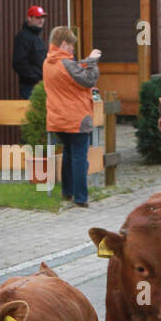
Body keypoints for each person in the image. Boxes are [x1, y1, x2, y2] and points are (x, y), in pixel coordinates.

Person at [42, 26, 100, 208]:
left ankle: (67, 192)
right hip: (76, 118)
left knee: (67, 154)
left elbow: (74, 69)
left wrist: (86, 60)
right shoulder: (66, 64)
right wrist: (92, 63)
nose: (73, 50)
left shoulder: (48, 63)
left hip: (57, 118)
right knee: (79, 157)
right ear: (64, 44)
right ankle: (81, 197)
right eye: (72, 47)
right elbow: (88, 79)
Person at [13, 5, 48, 99]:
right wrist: (36, 78)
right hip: (30, 87)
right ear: (29, 18)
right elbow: (19, 63)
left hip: (42, 85)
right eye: (37, 17)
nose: (41, 20)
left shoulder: (37, 38)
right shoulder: (23, 37)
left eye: (42, 17)